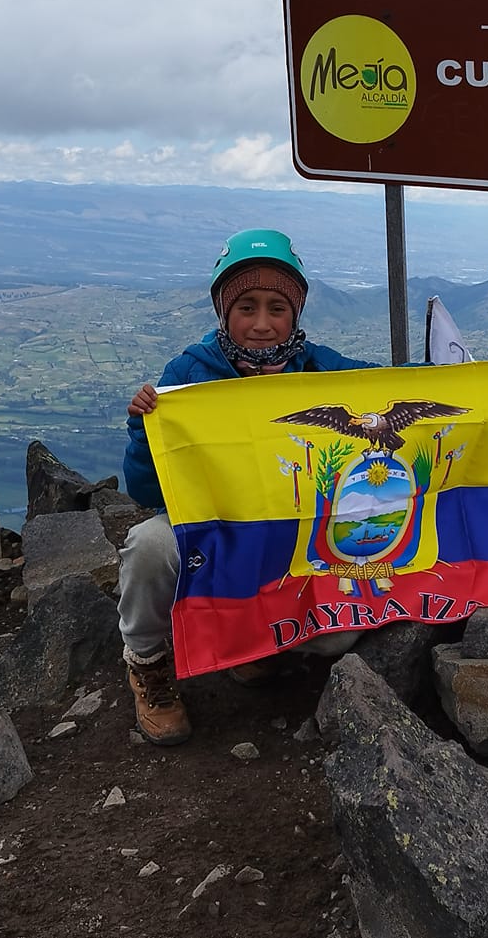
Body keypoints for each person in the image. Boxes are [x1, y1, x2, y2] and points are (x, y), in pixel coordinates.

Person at [117, 228, 376, 746]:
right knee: (149, 547)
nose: (262, 324)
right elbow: (147, 492)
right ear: (224, 313)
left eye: (277, 307)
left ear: (295, 314)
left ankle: (262, 644)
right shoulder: (189, 374)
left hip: (293, 529)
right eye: (247, 307)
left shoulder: (325, 371)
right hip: (214, 525)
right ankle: (146, 661)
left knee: (339, 639)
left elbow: (410, 390)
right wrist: (145, 430)